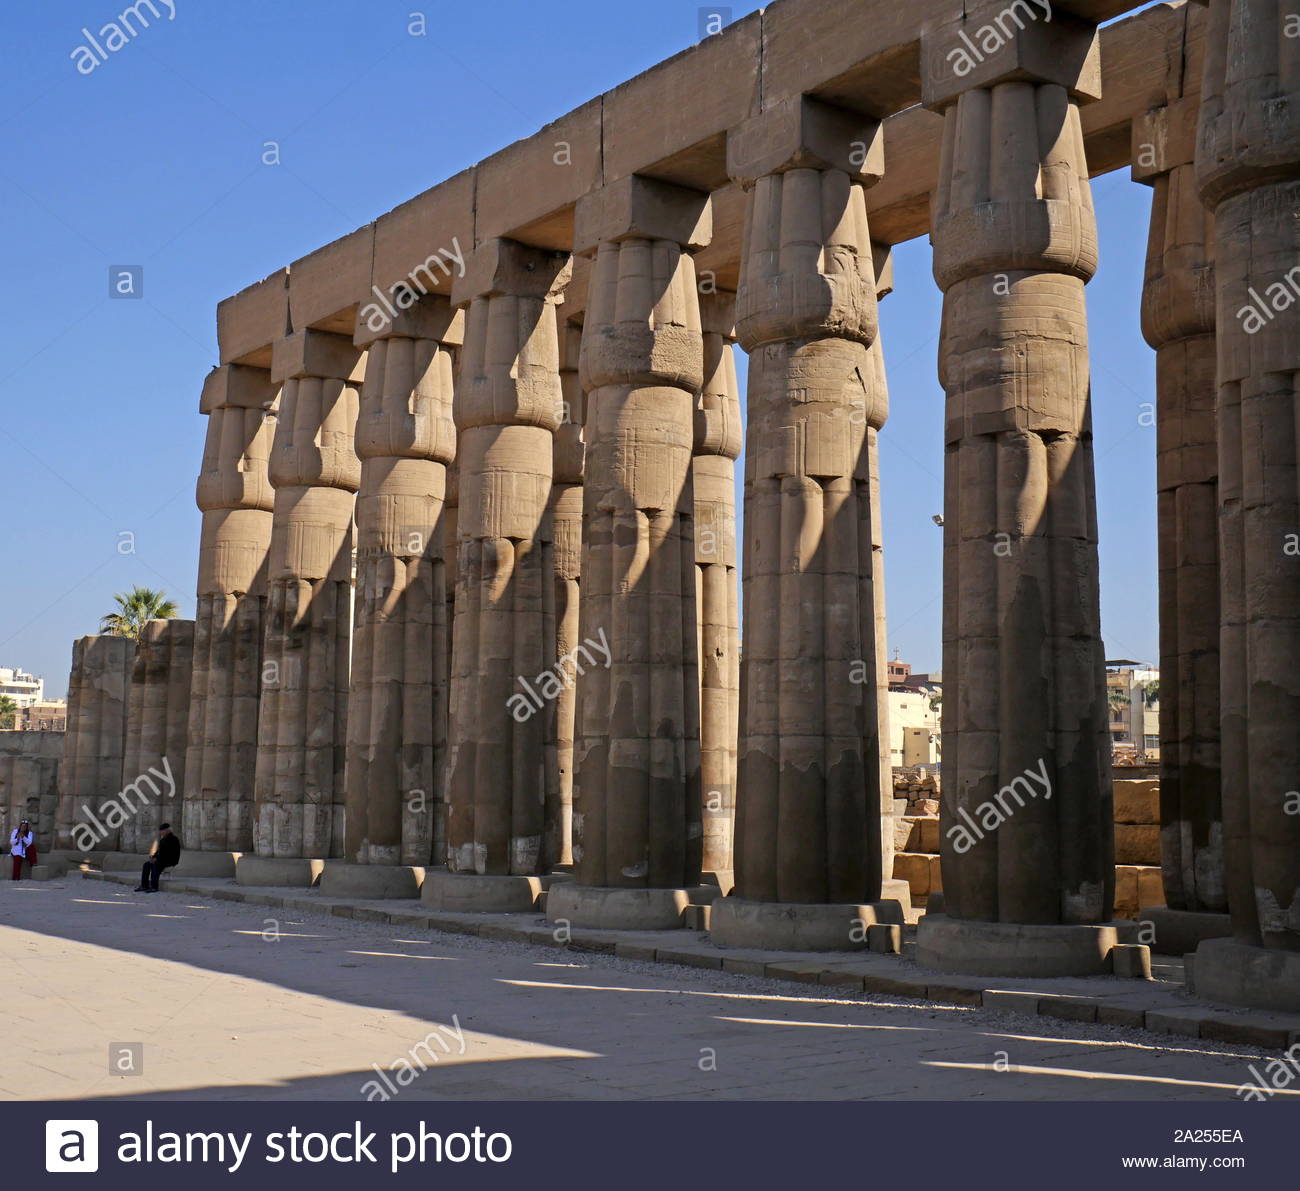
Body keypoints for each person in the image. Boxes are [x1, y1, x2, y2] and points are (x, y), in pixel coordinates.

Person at [134, 823, 181, 892]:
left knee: (156, 865)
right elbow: (159, 851)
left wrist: (157, 859)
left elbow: (169, 853)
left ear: (168, 830)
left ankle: (154, 887)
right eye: (161, 830)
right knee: (146, 865)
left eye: (163, 830)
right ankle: (144, 885)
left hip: (170, 860)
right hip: (161, 860)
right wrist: (153, 857)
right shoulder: (163, 840)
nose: (161, 832)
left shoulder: (174, 839)